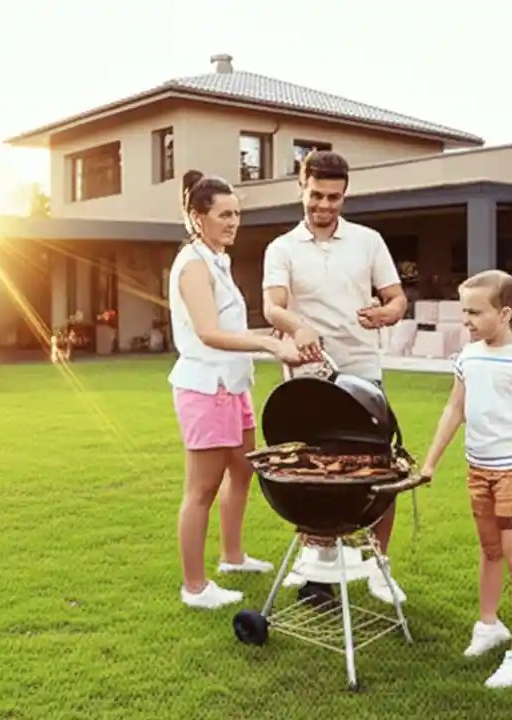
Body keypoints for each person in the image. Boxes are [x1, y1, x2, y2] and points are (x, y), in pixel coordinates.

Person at [261, 150, 409, 605]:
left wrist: (386, 312)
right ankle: (318, 576)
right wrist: (296, 325)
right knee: (313, 479)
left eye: (335, 197)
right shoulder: (281, 248)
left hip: (363, 371)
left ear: (346, 194)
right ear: (300, 188)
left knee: (383, 470)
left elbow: (397, 299)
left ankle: (380, 568)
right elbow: (272, 306)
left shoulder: (368, 240)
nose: (325, 205)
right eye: (317, 195)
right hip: (309, 380)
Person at [169, 169, 307, 610]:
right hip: (205, 388)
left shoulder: (217, 260)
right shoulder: (192, 265)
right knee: (201, 489)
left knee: (244, 470)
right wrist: (269, 344)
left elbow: (229, 326)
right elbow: (208, 332)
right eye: (224, 214)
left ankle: (232, 558)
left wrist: (272, 334)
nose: (233, 222)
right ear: (197, 217)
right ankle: (194, 587)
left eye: (237, 214)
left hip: (234, 385)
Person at [421, 269, 512, 688]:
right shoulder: (468, 356)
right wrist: (431, 461)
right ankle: (490, 625)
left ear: (506, 313)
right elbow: (454, 410)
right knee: (490, 550)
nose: (467, 319)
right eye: (464, 310)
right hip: (479, 470)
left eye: (475, 312)